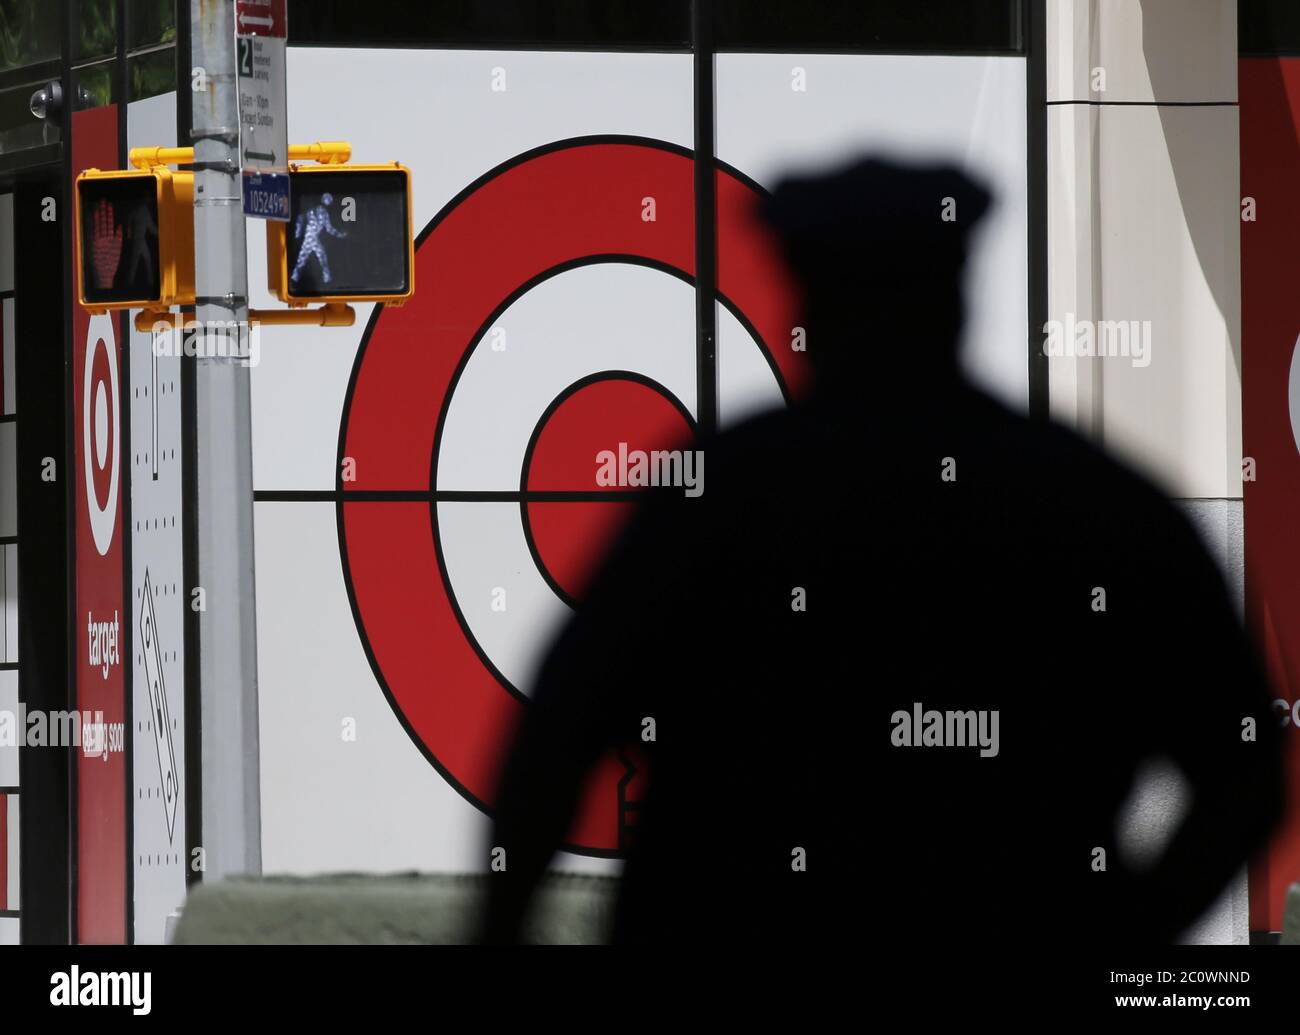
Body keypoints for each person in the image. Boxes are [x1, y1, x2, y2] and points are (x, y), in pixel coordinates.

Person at [480, 156, 1286, 948]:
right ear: (959, 301)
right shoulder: (1094, 498)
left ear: (809, 306)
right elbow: (1244, 768)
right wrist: (1118, 930)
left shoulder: (720, 496)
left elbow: (556, 738)